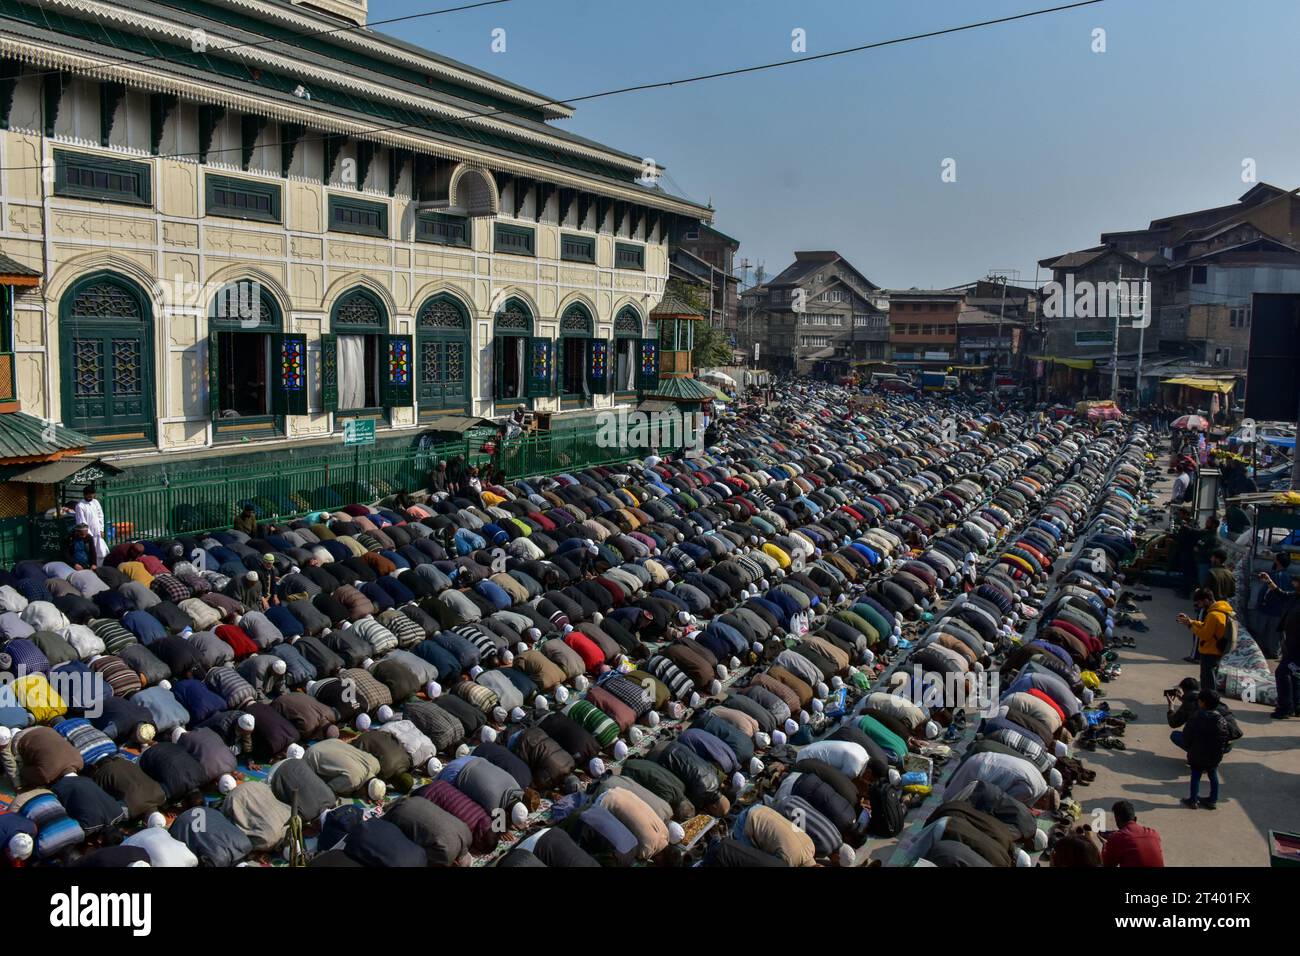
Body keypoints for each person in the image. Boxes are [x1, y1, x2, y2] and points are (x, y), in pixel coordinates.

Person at [1180, 689, 1231, 810]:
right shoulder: (1221, 720)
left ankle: (1193, 800)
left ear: (1202, 702)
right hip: (1214, 756)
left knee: (1196, 776)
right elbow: (1225, 737)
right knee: (1213, 776)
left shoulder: (1196, 717)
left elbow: (1187, 734)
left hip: (1197, 754)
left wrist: (1189, 748)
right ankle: (1213, 800)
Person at [1177, 588, 1235, 691]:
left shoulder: (1213, 615)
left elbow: (1205, 635)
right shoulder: (1221, 611)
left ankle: (1208, 701)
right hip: (1217, 651)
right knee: (1211, 678)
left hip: (1210, 651)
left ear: (1206, 600)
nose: (1199, 606)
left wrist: (1190, 626)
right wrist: (1192, 622)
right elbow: (1206, 626)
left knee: (1207, 681)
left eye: (1200, 603)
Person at [1260, 567, 1300, 718]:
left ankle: (1285, 708)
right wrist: (1270, 582)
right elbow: (1281, 595)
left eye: (1297, 583)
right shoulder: (1295, 596)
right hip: (1290, 644)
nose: (1294, 585)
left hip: (1297, 648)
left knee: (1282, 672)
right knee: (1294, 674)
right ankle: (1296, 706)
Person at [1101, 800, 1164, 867]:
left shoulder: (1117, 838)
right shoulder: (1154, 834)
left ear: (1117, 821)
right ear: (1135, 819)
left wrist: (1106, 846)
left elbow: (1108, 864)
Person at [72, 485, 108, 565]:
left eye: (92, 494)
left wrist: (101, 529)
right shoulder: (80, 506)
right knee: (91, 552)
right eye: (89, 494)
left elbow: (100, 515)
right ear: (84, 495)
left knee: (102, 552)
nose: (90, 496)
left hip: (98, 532)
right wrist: (88, 535)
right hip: (88, 534)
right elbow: (81, 522)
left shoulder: (95, 502)